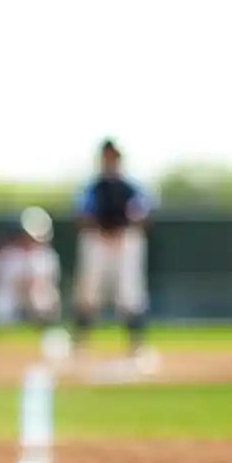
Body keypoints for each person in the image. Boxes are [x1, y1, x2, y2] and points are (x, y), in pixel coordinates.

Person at [71, 138, 155, 360]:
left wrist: (122, 230)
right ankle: (81, 342)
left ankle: (136, 344)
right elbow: (82, 214)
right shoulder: (93, 187)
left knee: (130, 292)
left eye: (113, 156)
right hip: (97, 239)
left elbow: (144, 214)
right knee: (88, 291)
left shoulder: (132, 187)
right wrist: (102, 231)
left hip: (125, 240)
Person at [0, 207, 61, 330]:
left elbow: (40, 285)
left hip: (33, 303)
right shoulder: (7, 255)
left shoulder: (45, 256)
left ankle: (43, 326)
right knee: (1, 305)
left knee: (42, 298)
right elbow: (10, 284)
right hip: (10, 301)